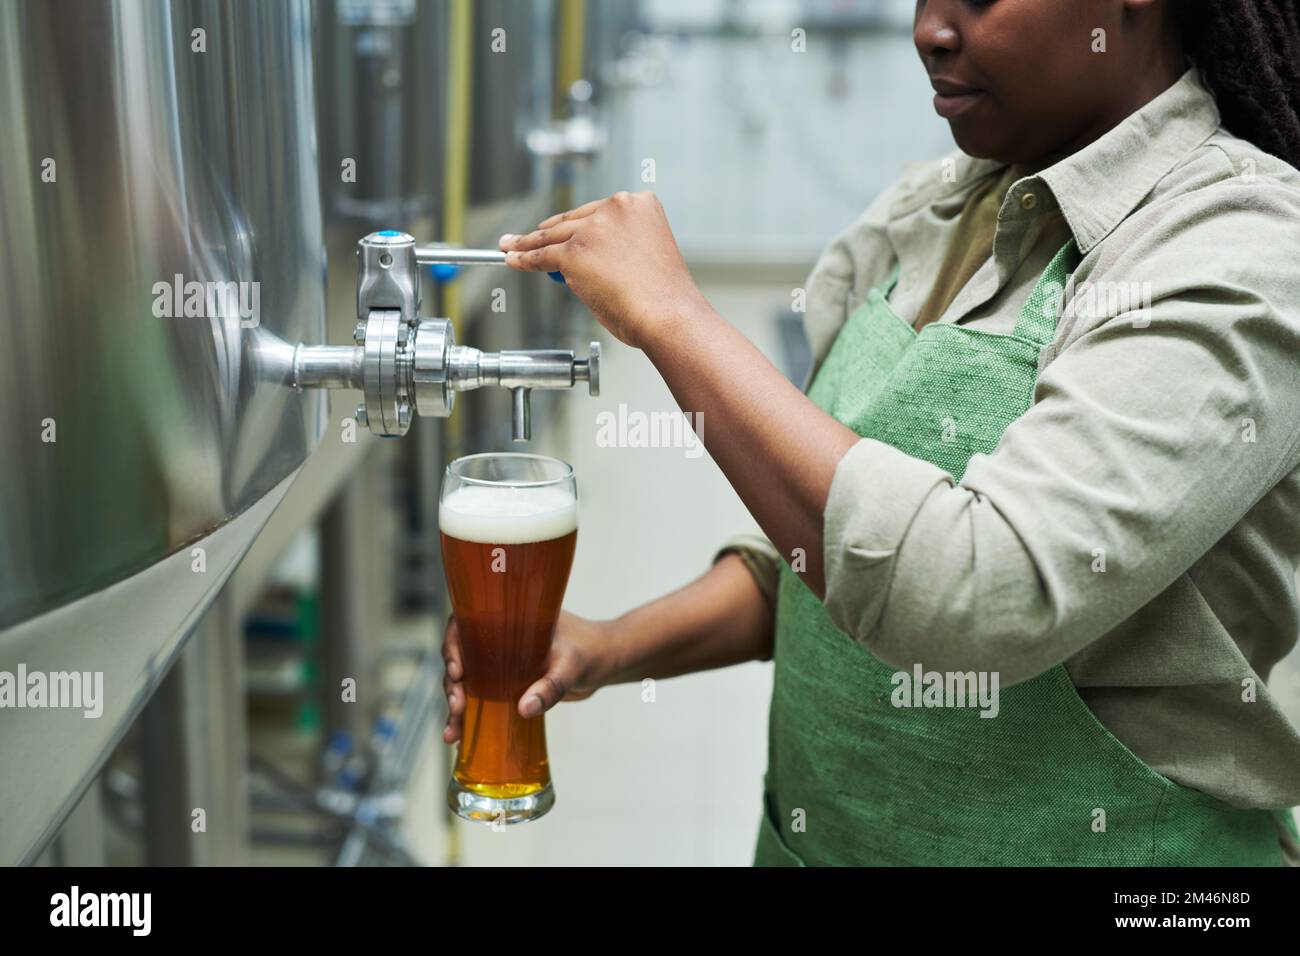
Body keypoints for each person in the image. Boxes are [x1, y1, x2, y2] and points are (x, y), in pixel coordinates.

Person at [443, 0, 1300, 865]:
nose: (931, 30)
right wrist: (610, 646)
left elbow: (973, 593)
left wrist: (672, 317)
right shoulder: (927, 210)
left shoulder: (1239, 247)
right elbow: (822, 550)